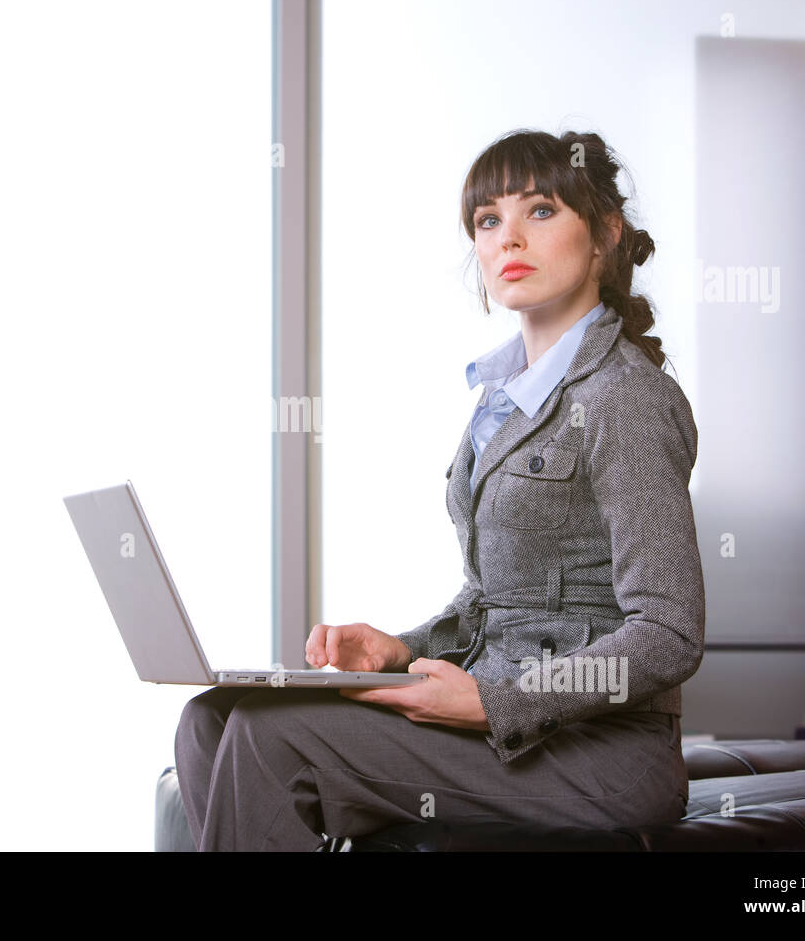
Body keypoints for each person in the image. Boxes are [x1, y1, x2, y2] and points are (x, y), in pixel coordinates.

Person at [174, 128, 706, 851]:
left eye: (541, 211)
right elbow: (491, 604)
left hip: (600, 755)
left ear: (605, 235)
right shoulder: (502, 396)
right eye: (488, 221)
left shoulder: (624, 400)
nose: (508, 237)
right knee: (210, 718)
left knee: (276, 738)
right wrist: (399, 648)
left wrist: (497, 702)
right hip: (507, 726)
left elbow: (669, 634)